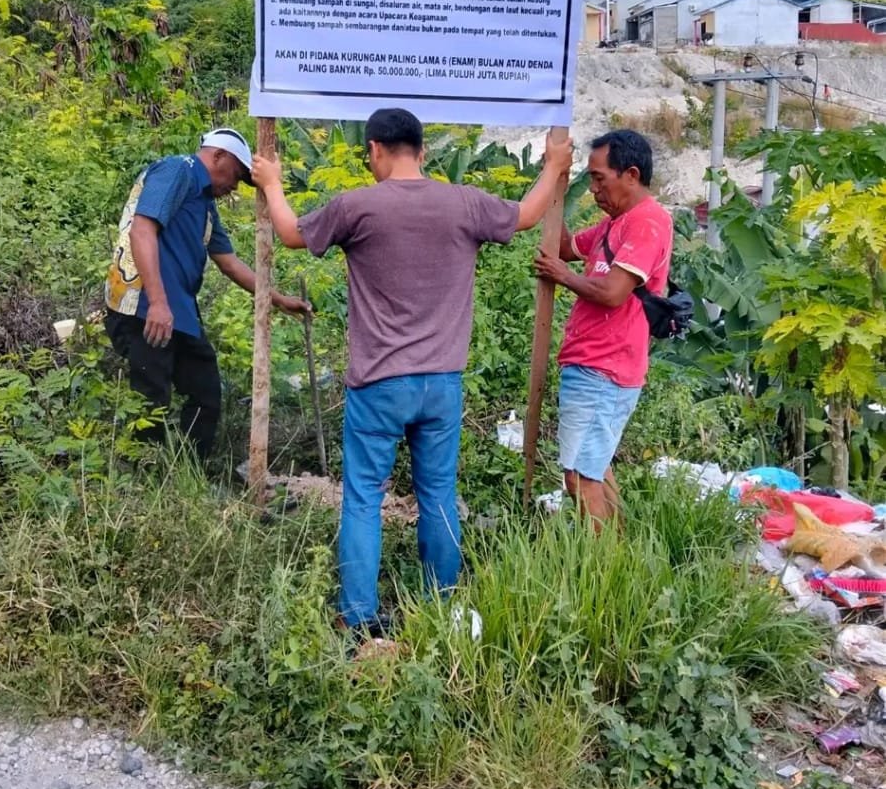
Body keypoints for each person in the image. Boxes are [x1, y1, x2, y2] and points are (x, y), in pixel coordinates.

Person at [251, 107, 573, 636]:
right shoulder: (463, 202)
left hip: (379, 382)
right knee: (438, 495)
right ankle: (443, 606)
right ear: (423, 152)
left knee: (362, 498)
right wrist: (555, 165)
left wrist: (272, 182)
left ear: (374, 150)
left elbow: (289, 234)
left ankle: (358, 619)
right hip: (442, 383)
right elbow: (525, 217)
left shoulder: (356, 206)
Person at [104, 127, 308, 460]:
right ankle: (141, 481)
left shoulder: (206, 204)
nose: (235, 185)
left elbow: (228, 262)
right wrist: (156, 301)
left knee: (206, 392)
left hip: (177, 311)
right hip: (144, 307)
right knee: (150, 398)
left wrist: (278, 299)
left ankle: (189, 473)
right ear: (218, 156)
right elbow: (143, 230)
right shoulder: (178, 170)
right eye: (237, 174)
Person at [534, 129, 672, 525]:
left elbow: (613, 293)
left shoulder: (647, 223)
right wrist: (554, 182)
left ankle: (600, 567)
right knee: (595, 469)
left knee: (579, 477)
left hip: (605, 368)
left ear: (630, 174)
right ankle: (617, 554)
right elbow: (563, 248)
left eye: (599, 178)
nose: (593, 189)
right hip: (594, 365)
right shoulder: (616, 223)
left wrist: (562, 276)